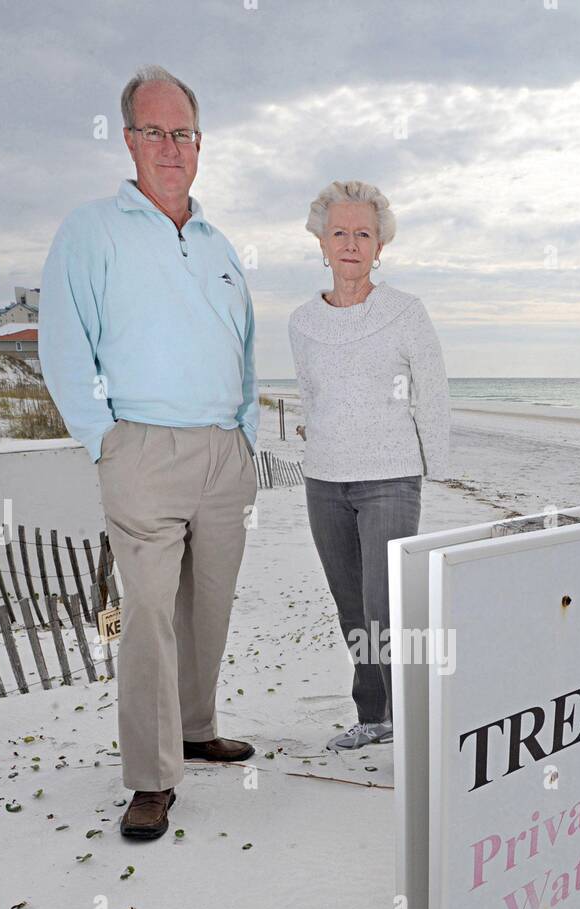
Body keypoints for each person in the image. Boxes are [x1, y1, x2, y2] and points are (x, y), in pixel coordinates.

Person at [40, 66, 259, 839]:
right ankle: (150, 778)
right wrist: (106, 442)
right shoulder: (91, 228)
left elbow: (244, 344)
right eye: (156, 131)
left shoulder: (218, 240)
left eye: (184, 133)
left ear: (200, 145)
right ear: (129, 139)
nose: (171, 147)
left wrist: (246, 435)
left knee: (209, 606)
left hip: (223, 454)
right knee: (147, 618)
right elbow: (64, 344)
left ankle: (195, 729)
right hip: (140, 449)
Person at [289, 180, 450, 750]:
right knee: (352, 607)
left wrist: (434, 466)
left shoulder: (406, 312)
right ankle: (373, 714)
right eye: (340, 233)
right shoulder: (302, 322)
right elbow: (311, 397)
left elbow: (431, 392)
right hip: (324, 481)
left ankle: (412, 728)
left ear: (380, 245)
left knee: (389, 607)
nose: (351, 243)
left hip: (389, 480)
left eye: (364, 233)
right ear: (322, 242)